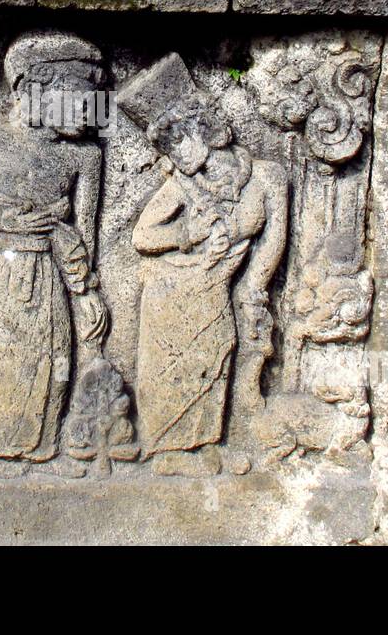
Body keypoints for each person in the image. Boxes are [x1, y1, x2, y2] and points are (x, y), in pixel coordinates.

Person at [0, 31, 108, 476]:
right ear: (35, 90)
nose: (89, 109)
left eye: (93, 99)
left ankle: (40, 451)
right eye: (78, 97)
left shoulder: (84, 157)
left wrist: (85, 291)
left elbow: (82, 232)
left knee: (51, 363)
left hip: (47, 270)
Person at [116, 54, 288, 476]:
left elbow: (273, 241)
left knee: (216, 352)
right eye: (165, 145)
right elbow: (142, 236)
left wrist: (255, 286)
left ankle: (204, 445)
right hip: (171, 287)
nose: (172, 153)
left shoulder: (265, 177)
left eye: (176, 139)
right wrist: (187, 234)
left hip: (216, 288)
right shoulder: (182, 186)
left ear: (201, 127)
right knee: (172, 366)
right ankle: (168, 453)